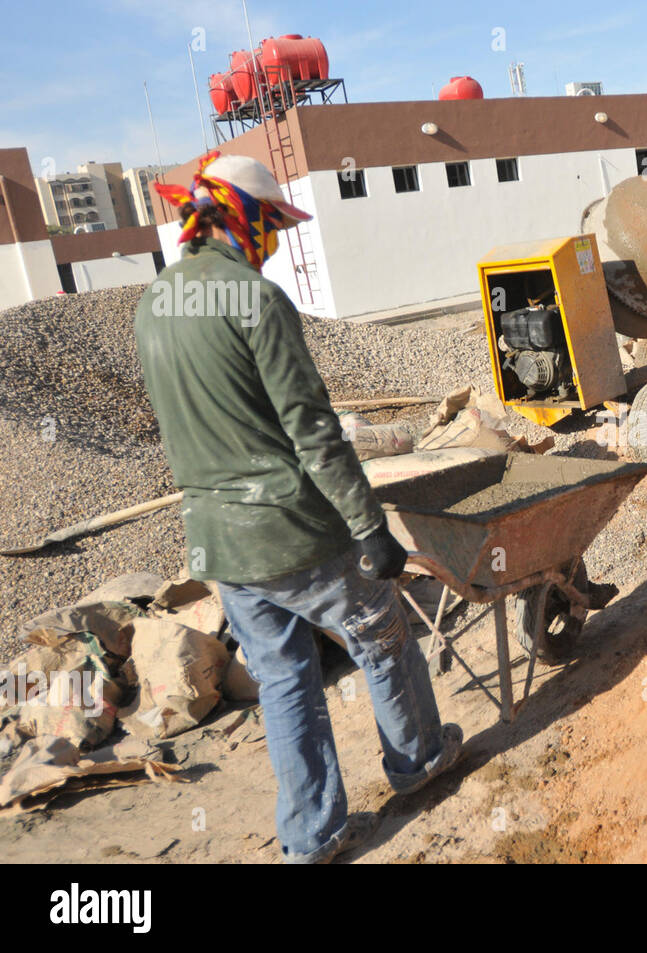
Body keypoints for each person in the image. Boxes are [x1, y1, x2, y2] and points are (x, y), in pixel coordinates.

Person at [136, 151, 462, 864]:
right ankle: (421, 759)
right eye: (274, 225)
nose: (278, 241)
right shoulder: (253, 300)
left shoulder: (155, 303)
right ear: (246, 221)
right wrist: (370, 528)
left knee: (284, 680)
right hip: (290, 529)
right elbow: (311, 428)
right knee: (381, 630)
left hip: (219, 542)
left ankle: (313, 836)